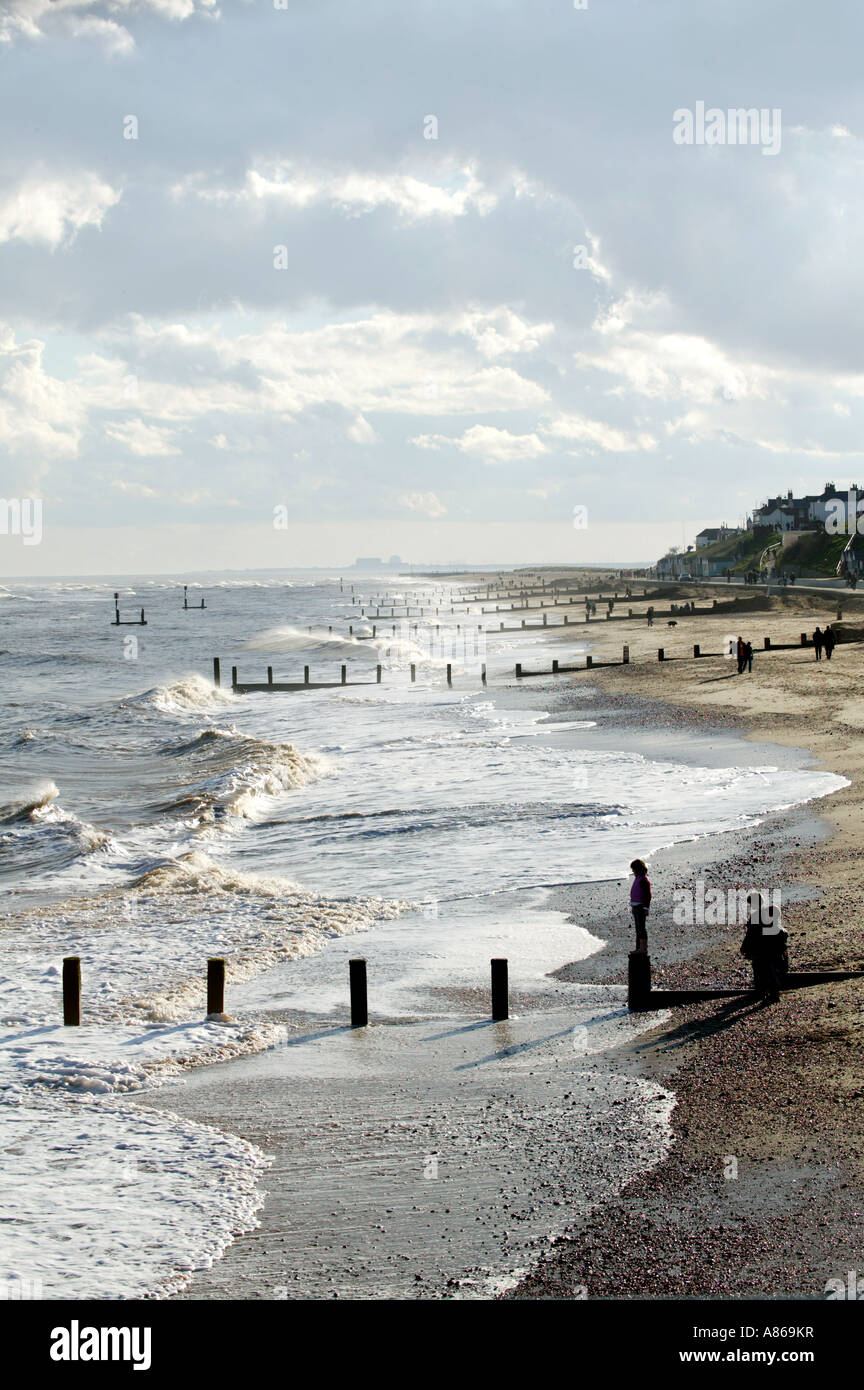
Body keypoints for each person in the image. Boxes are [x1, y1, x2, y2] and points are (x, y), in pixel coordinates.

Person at [740, 892, 788, 1003]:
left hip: (762, 948)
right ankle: (771, 993)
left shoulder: (756, 916)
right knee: (769, 969)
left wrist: (744, 948)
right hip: (770, 947)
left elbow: (751, 935)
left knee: (760, 969)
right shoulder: (767, 912)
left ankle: (764, 993)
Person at [629, 858, 651, 952]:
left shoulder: (644, 880)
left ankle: (643, 948)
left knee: (641, 928)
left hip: (641, 907)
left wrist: (646, 908)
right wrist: (632, 906)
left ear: (638, 869)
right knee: (638, 929)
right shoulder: (637, 879)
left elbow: (647, 895)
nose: (633, 872)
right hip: (636, 906)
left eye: (633, 870)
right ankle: (638, 947)